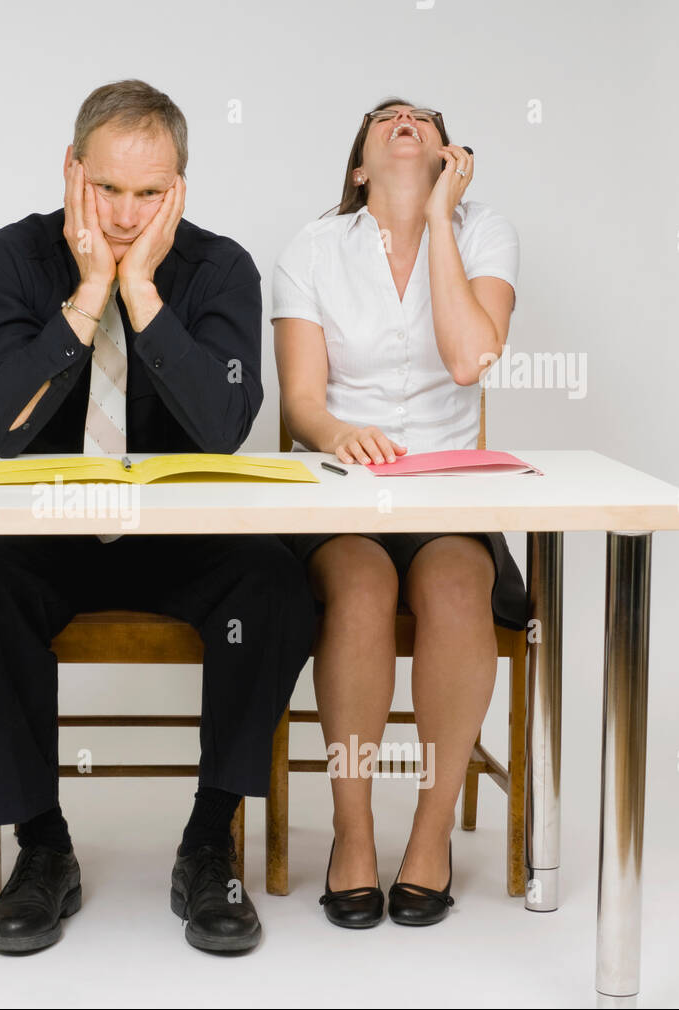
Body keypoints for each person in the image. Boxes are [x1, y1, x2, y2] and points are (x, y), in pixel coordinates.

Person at [0, 79, 316, 955]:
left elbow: (224, 430)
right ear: (72, 171)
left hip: (179, 535)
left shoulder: (220, 268)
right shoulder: (9, 259)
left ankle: (210, 840)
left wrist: (141, 292)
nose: (129, 213)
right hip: (52, 529)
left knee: (278, 579)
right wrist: (88, 294)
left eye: (152, 193)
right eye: (109, 188)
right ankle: (42, 845)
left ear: (181, 187)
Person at [272, 97, 526, 928]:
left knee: (457, 591)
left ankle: (429, 830)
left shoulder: (484, 231)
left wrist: (441, 220)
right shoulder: (313, 246)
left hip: (450, 493)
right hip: (344, 490)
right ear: (358, 167)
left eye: (423, 118)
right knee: (362, 590)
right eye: (386, 117)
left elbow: (467, 359)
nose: (406, 120)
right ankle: (353, 830)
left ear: (450, 155)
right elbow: (303, 399)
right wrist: (342, 432)